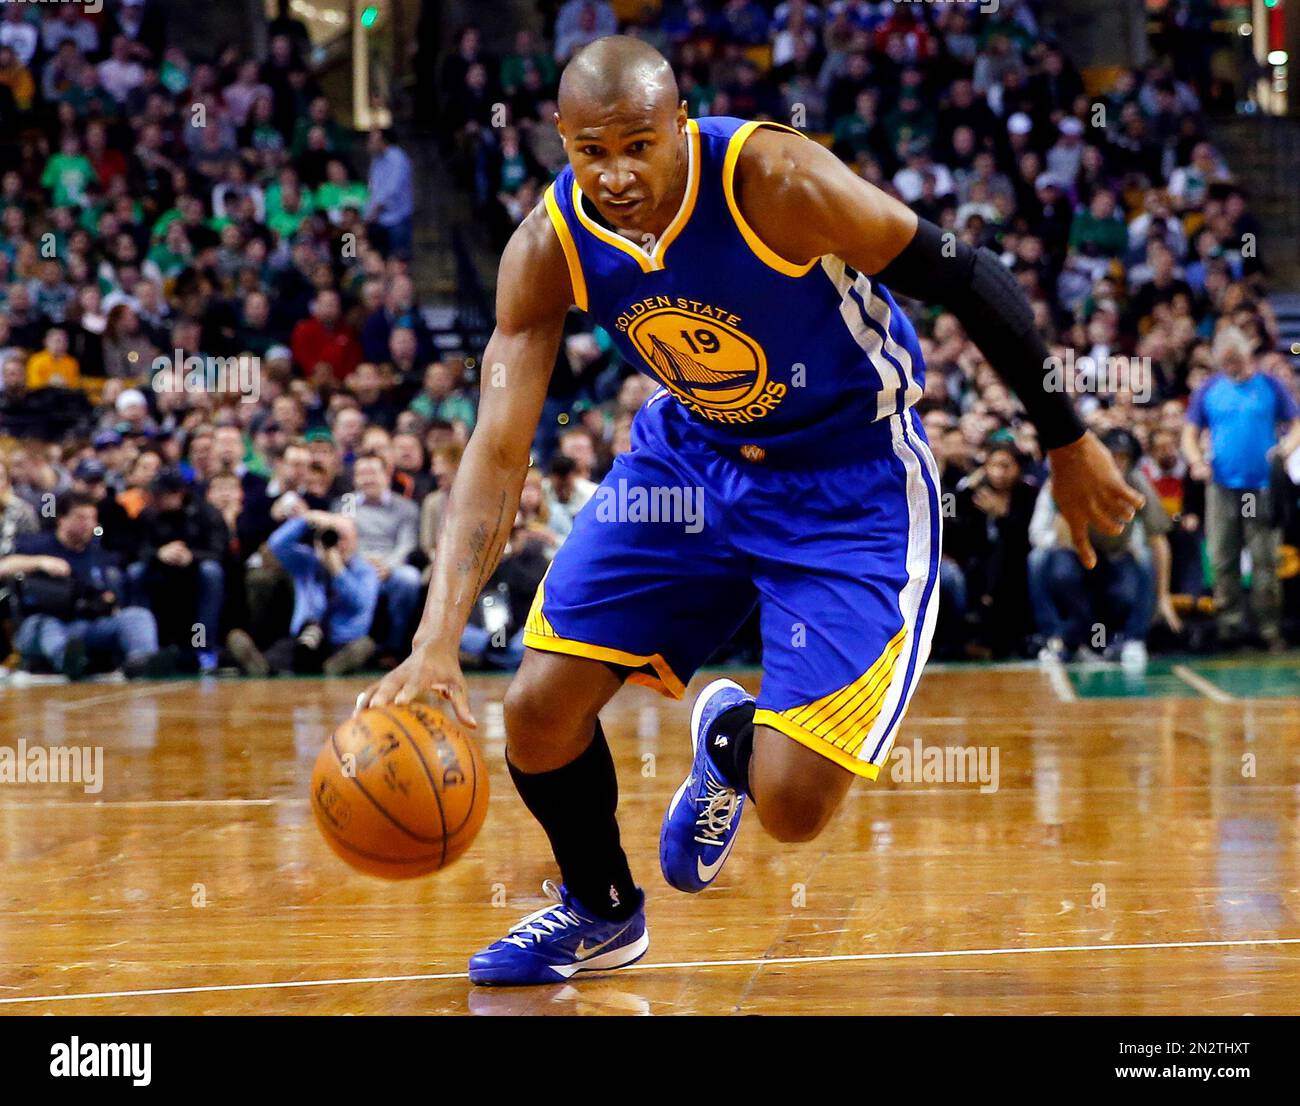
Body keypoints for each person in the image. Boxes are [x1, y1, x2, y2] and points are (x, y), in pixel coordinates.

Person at [356, 36, 1140, 986]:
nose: (615, 174)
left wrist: (1067, 438)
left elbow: (968, 274)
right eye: (590, 151)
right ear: (559, 140)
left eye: (638, 145)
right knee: (535, 714)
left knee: (796, 807)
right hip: (692, 463)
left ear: (679, 125)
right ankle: (601, 913)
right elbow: (497, 447)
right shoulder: (545, 246)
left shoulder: (776, 181)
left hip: (851, 481)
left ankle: (730, 742)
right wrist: (437, 636)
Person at [1181, 327, 1300, 651]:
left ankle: (1269, 629)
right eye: (1224, 361)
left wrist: (1285, 448)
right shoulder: (1210, 388)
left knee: (1264, 560)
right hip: (1222, 487)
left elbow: (1296, 423)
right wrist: (1196, 461)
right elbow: (1189, 432)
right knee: (1222, 558)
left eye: (1234, 359)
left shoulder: (1269, 385)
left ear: (1246, 354)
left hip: (1260, 488)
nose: (1231, 367)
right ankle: (1229, 627)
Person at [1029, 429, 1178, 669]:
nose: (1118, 463)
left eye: (1124, 458)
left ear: (1131, 461)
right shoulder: (1074, 477)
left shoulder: (1138, 482)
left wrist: (1163, 596)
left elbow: (1158, 538)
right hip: (1075, 552)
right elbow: (1060, 530)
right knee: (1051, 568)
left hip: (1115, 555)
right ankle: (1056, 638)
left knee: (1143, 562)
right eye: (1114, 456)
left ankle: (1133, 639)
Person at [0, 491, 173, 679]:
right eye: (81, 518)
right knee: (45, 627)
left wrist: (107, 601)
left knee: (137, 616)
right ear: (62, 519)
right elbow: (3, 567)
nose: (89, 524)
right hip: (44, 622)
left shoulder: (99, 553)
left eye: (92, 518)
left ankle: (142, 661)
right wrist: (40, 562)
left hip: (87, 624)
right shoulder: (37, 545)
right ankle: (68, 661)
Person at [260, 510, 379, 675]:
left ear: (355, 541)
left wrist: (337, 571)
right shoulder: (307, 563)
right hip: (306, 640)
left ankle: (332, 668)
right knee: (281, 652)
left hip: (344, 642)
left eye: (343, 538)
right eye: (332, 537)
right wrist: (306, 518)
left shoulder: (365, 571)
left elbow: (359, 602)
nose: (337, 545)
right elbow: (276, 544)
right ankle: (263, 667)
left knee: (365, 646)